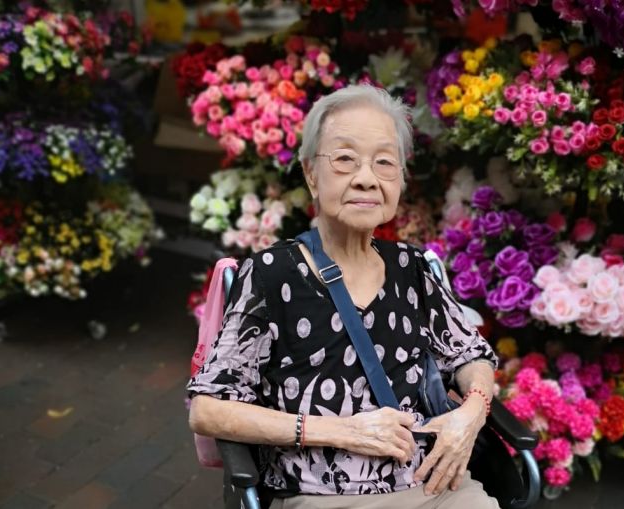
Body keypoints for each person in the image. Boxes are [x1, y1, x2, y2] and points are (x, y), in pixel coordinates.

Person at [188, 84, 499, 508]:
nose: (367, 178)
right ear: (311, 174)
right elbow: (208, 409)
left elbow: (471, 355)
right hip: (324, 496)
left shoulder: (413, 269)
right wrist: (346, 431)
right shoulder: (271, 275)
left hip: (434, 486)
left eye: (385, 162)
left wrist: (471, 412)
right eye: (345, 159)